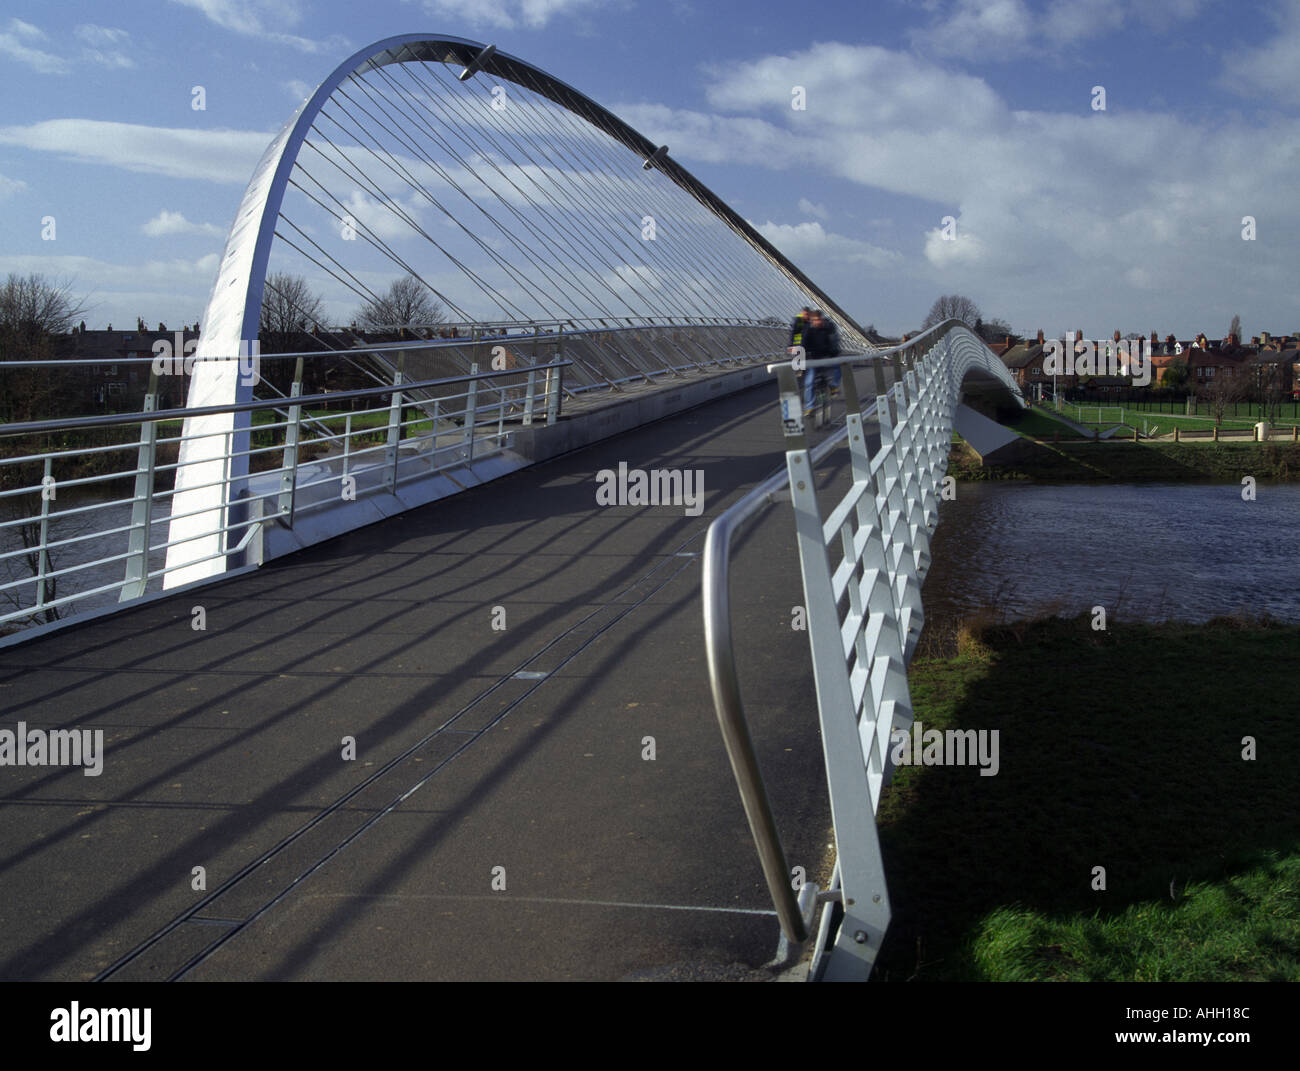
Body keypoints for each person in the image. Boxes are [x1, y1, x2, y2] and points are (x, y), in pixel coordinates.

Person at [801, 309, 842, 413]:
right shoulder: (808, 330)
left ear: (822, 319)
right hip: (813, 359)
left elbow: (834, 343)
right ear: (811, 321)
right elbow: (803, 345)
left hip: (826, 357)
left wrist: (834, 354)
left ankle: (834, 386)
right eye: (815, 320)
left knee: (838, 366)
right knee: (809, 382)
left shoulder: (828, 328)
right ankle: (809, 407)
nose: (817, 322)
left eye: (819, 319)